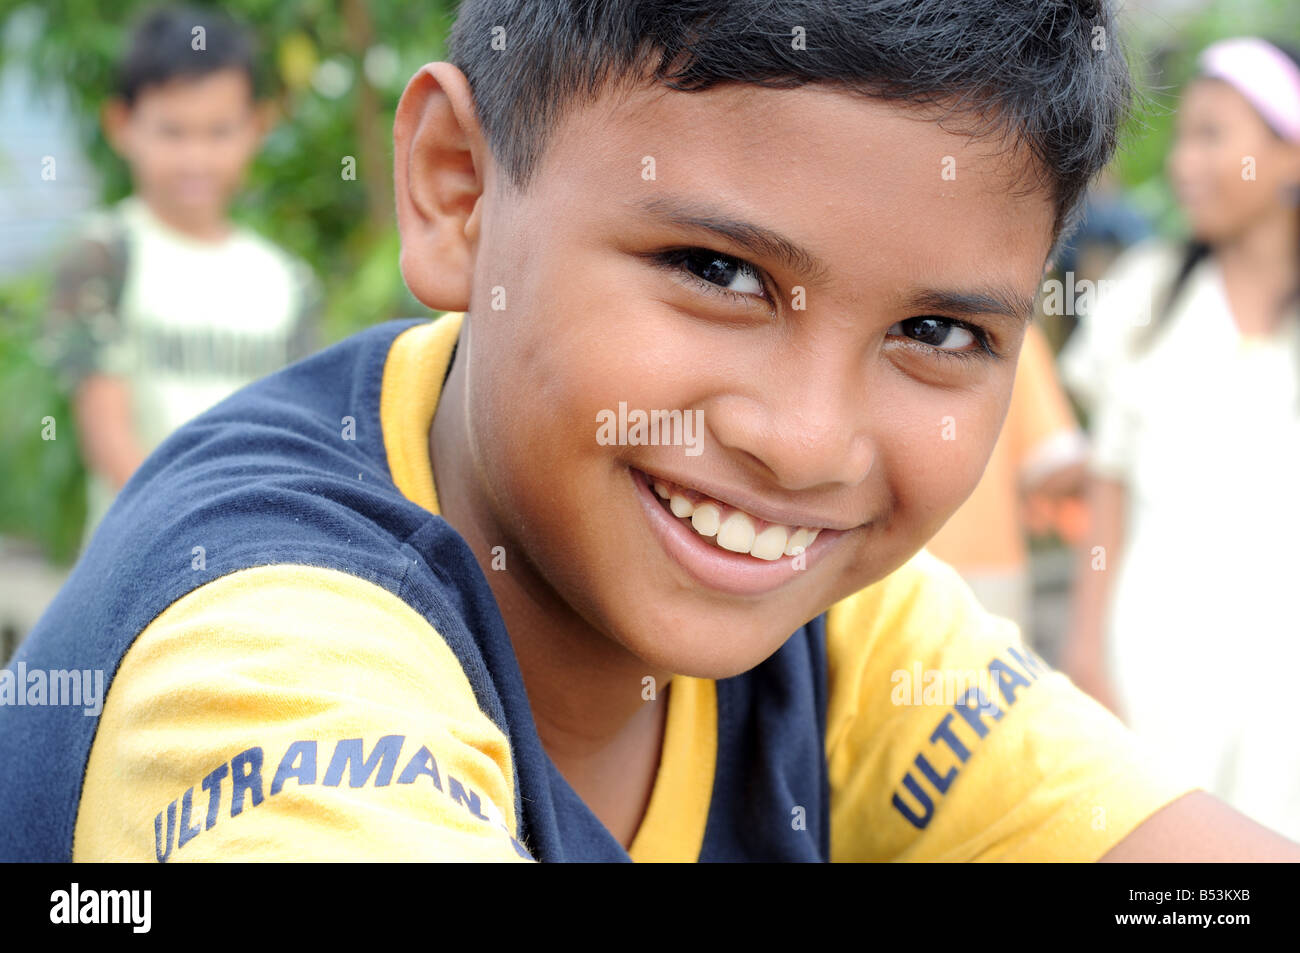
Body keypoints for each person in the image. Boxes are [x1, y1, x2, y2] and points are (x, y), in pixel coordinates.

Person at [3, 1, 1297, 863]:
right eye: (716, 270)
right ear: (458, 188)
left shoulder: (842, 631)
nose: (806, 445)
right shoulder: (268, 658)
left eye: (940, 334)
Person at [1062, 37, 1300, 841]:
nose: (1185, 163)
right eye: (1184, 138)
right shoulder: (1144, 297)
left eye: (1212, 135)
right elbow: (1108, 488)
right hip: (1155, 654)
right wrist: (1086, 651)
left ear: (1289, 152)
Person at [43, 5, 321, 544]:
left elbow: (300, 436)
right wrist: (195, 530)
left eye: (219, 132)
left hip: (256, 552)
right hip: (137, 552)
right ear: (122, 126)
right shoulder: (104, 256)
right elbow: (108, 439)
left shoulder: (288, 281)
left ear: (257, 128)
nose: (196, 157)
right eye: (172, 132)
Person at [924, 322, 1088, 645]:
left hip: (975, 574)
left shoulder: (1014, 333)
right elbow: (1050, 466)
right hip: (986, 576)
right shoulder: (1007, 328)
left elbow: (1048, 463)